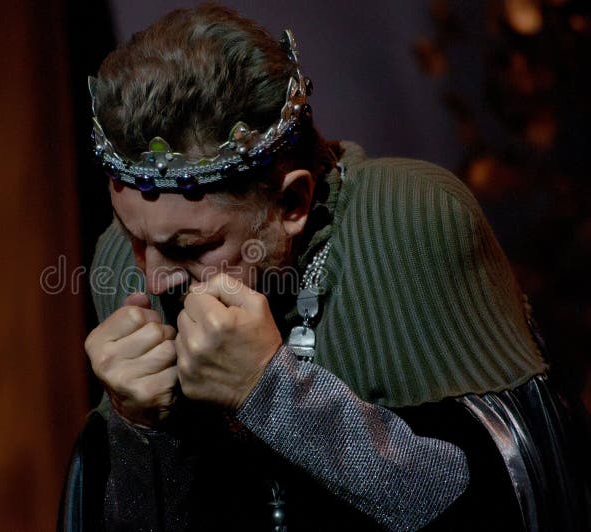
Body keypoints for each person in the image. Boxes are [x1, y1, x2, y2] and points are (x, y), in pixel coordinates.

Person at [60, 5, 588, 531]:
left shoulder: (409, 219)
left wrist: (270, 391)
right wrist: (140, 433)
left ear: (290, 205)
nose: (153, 278)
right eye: (134, 237)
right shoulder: (123, 263)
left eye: (191, 246)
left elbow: (499, 507)